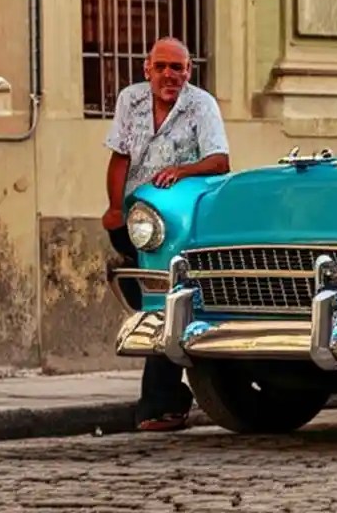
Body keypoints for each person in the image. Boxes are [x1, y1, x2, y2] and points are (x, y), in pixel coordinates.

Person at [102, 36, 231, 432]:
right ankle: (167, 400)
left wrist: (182, 171)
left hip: (179, 224)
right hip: (139, 222)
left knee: (162, 305)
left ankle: (160, 405)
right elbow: (120, 156)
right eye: (161, 67)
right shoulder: (131, 100)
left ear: (188, 71)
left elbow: (220, 161)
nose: (169, 75)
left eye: (177, 68)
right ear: (147, 69)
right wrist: (115, 208)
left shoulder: (201, 105)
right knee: (154, 307)